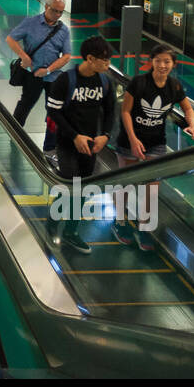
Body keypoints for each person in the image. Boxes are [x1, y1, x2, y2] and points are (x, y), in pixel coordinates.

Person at [111, 44, 194, 250]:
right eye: (158, 60)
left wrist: (192, 125)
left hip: (156, 143)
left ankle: (145, 229)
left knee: (151, 189)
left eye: (167, 62)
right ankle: (120, 221)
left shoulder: (174, 87)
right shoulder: (139, 83)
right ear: (151, 62)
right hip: (130, 141)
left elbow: (188, 108)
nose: (162, 65)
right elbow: (125, 111)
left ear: (173, 65)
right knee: (125, 183)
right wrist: (133, 139)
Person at [45, 35, 115, 253]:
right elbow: (53, 111)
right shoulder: (66, 80)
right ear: (90, 58)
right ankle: (59, 224)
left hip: (91, 144)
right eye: (104, 60)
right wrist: (75, 136)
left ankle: (69, 230)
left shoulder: (104, 82)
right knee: (71, 183)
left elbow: (111, 110)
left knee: (83, 188)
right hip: (67, 142)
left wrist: (105, 135)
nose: (107, 64)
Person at [5, 0, 73, 144]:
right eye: (55, 11)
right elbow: (10, 39)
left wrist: (48, 70)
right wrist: (23, 56)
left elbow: (67, 56)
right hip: (32, 74)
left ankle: (50, 144)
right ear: (46, 7)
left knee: (54, 111)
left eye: (61, 12)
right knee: (26, 104)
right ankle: (15, 134)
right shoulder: (30, 23)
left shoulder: (63, 30)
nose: (58, 15)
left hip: (53, 77)